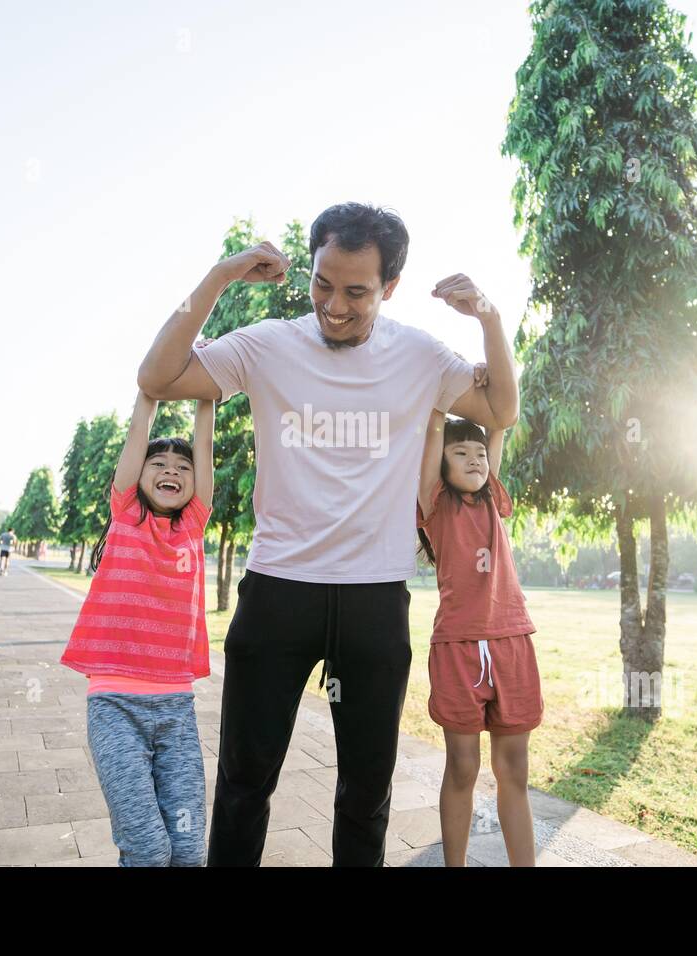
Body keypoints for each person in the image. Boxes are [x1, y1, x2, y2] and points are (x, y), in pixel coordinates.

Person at [136, 201, 519, 866]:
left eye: (356, 292)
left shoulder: (421, 356)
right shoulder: (267, 345)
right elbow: (158, 376)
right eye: (322, 284)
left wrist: (489, 319)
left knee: (366, 793)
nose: (334, 307)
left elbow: (499, 408)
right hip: (278, 592)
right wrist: (219, 278)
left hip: (374, 600)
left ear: (389, 288)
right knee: (242, 786)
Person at [58, 391, 215, 866]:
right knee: (147, 847)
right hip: (115, 708)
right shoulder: (127, 514)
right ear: (138, 476)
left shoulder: (193, 526)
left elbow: (204, 449)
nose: (171, 471)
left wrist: (207, 398)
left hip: (175, 710)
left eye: (182, 468)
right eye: (159, 464)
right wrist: (149, 393)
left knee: (188, 851)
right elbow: (136, 439)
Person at [416, 411, 543, 866]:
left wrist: (494, 416)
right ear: (441, 465)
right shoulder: (434, 504)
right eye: (460, 452)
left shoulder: (492, 498)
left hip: (512, 639)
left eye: (481, 453)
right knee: (464, 767)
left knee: (514, 771)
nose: (475, 459)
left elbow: (502, 419)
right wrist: (437, 404)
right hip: (458, 648)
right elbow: (432, 438)